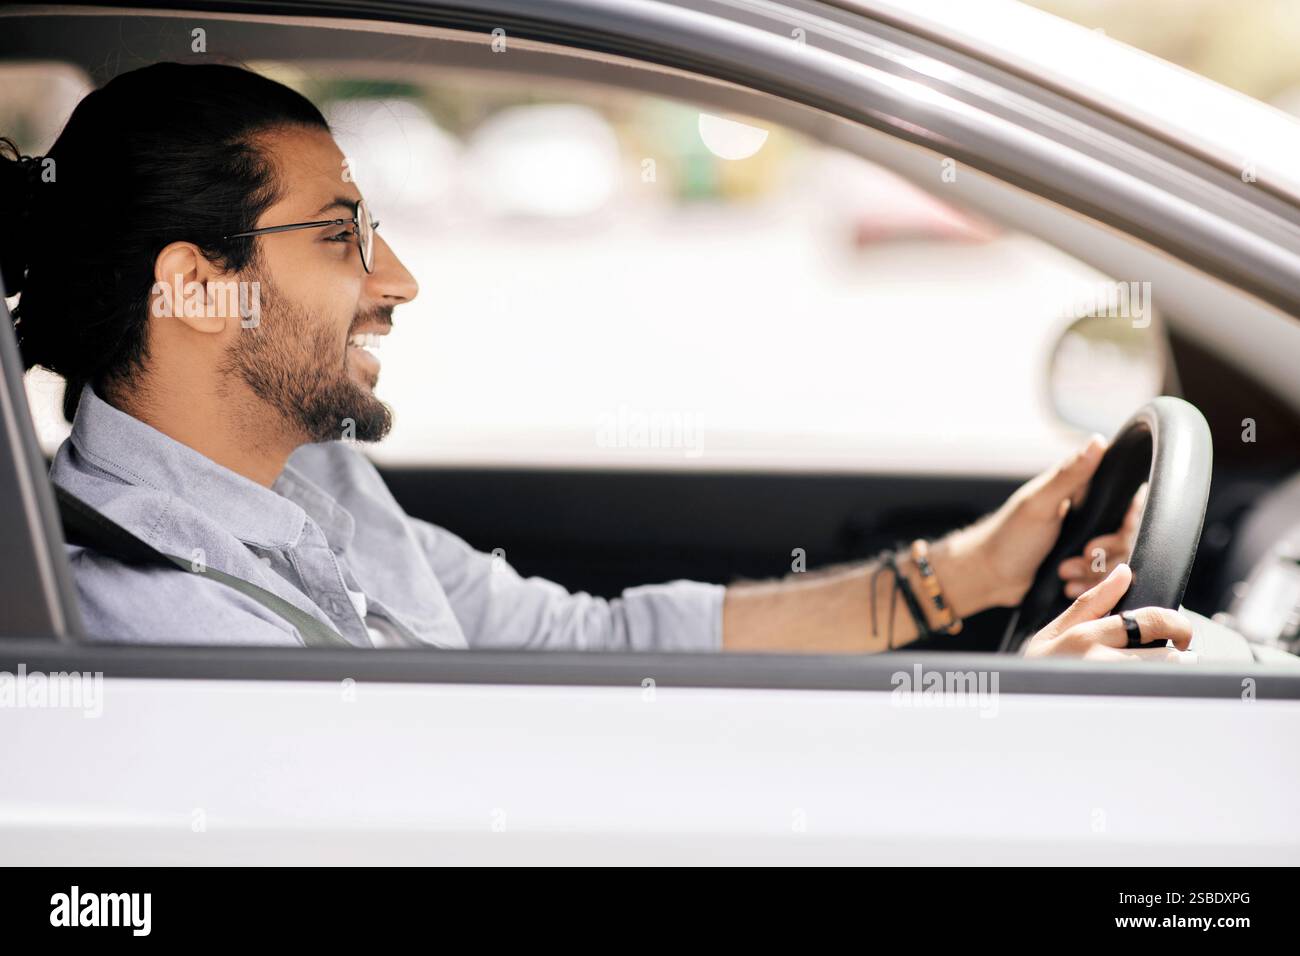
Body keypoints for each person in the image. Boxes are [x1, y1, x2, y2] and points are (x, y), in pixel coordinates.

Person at [0, 63, 1192, 660]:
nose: (398, 278)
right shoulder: (151, 615)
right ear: (195, 287)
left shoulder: (313, 484)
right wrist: (1011, 719)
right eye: (342, 233)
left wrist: (953, 579)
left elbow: (589, 646)